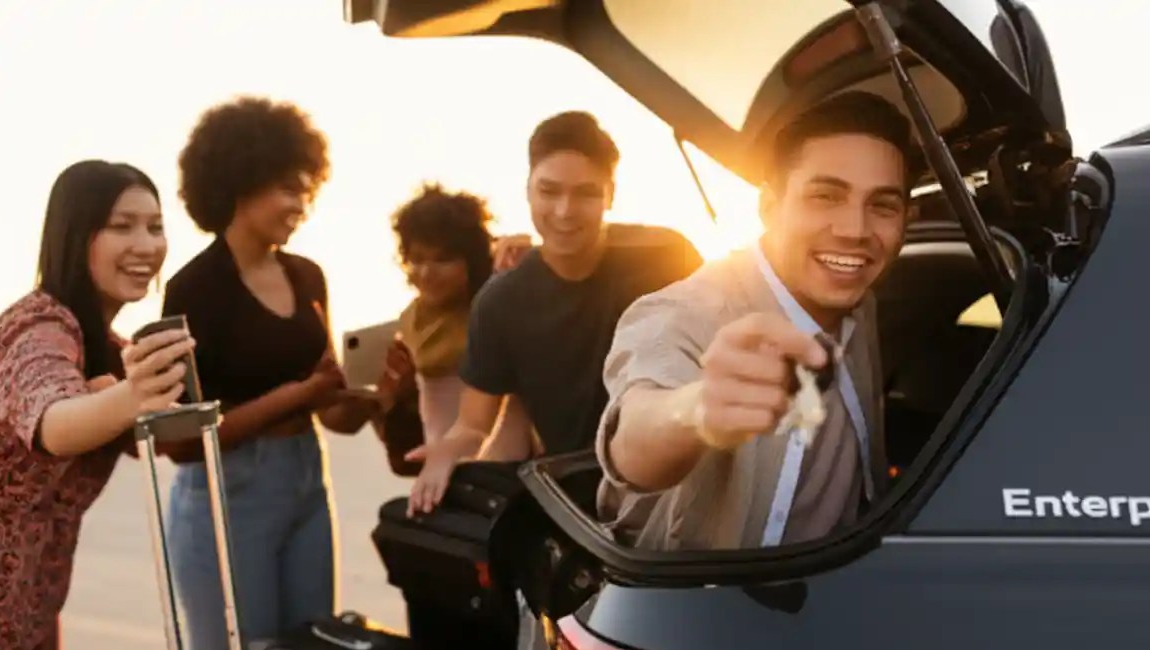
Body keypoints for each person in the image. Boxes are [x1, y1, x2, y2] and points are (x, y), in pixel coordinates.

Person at [596, 91, 917, 551]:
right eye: (826, 196)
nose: (854, 230)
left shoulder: (860, 302)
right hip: (708, 613)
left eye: (882, 205)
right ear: (768, 207)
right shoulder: (680, 314)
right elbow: (633, 445)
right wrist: (698, 409)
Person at [160, 96, 374, 650]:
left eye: (308, 192)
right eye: (288, 189)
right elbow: (179, 440)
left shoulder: (309, 277)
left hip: (309, 479)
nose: (300, 206)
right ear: (242, 180)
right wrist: (297, 396)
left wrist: (375, 393)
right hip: (226, 497)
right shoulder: (194, 289)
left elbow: (331, 408)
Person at [405, 110, 704, 516]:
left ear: (610, 194)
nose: (564, 211)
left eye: (585, 193)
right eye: (549, 191)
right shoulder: (500, 302)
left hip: (681, 488)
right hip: (580, 505)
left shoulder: (668, 256)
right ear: (528, 191)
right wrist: (446, 452)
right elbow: (475, 424)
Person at [0, 160, 191, 650]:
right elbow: (51, 422)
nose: (145, 244)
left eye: (154, 225)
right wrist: (130, 397)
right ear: (76, 235)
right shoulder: (38, 329)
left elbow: (169, 442)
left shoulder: (108, 345)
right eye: (122, 226)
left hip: (27, 623)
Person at [372, 183, 534, 475]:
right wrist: (394, 397)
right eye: (417, 259)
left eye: (442, 259)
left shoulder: (499, 310)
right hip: (443, 475)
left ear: (470, 260)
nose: (426, 272)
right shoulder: (412, 321)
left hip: (506, 476)